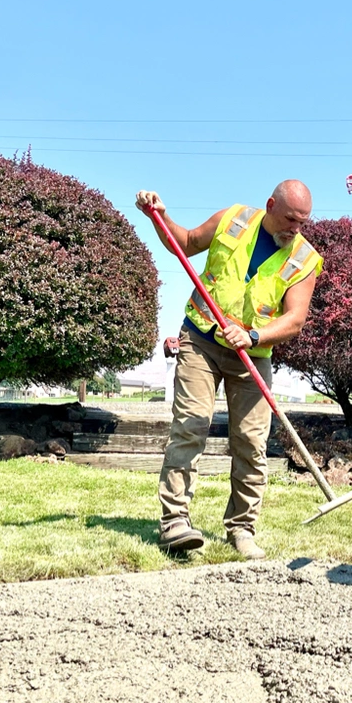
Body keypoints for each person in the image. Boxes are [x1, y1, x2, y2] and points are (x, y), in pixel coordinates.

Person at [135, 181, 323, 559]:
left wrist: (254, 335)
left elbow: (296, 319)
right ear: (270, 205)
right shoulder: (232, 218)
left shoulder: (304, 259)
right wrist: (159, 215)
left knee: (251, 442)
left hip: (252, 356)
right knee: (190, 425)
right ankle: (174, 522)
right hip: (201, 340)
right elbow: (185, 243)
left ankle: (242, 529)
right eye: (289, 219)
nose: (295, 229)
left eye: (303, 222)